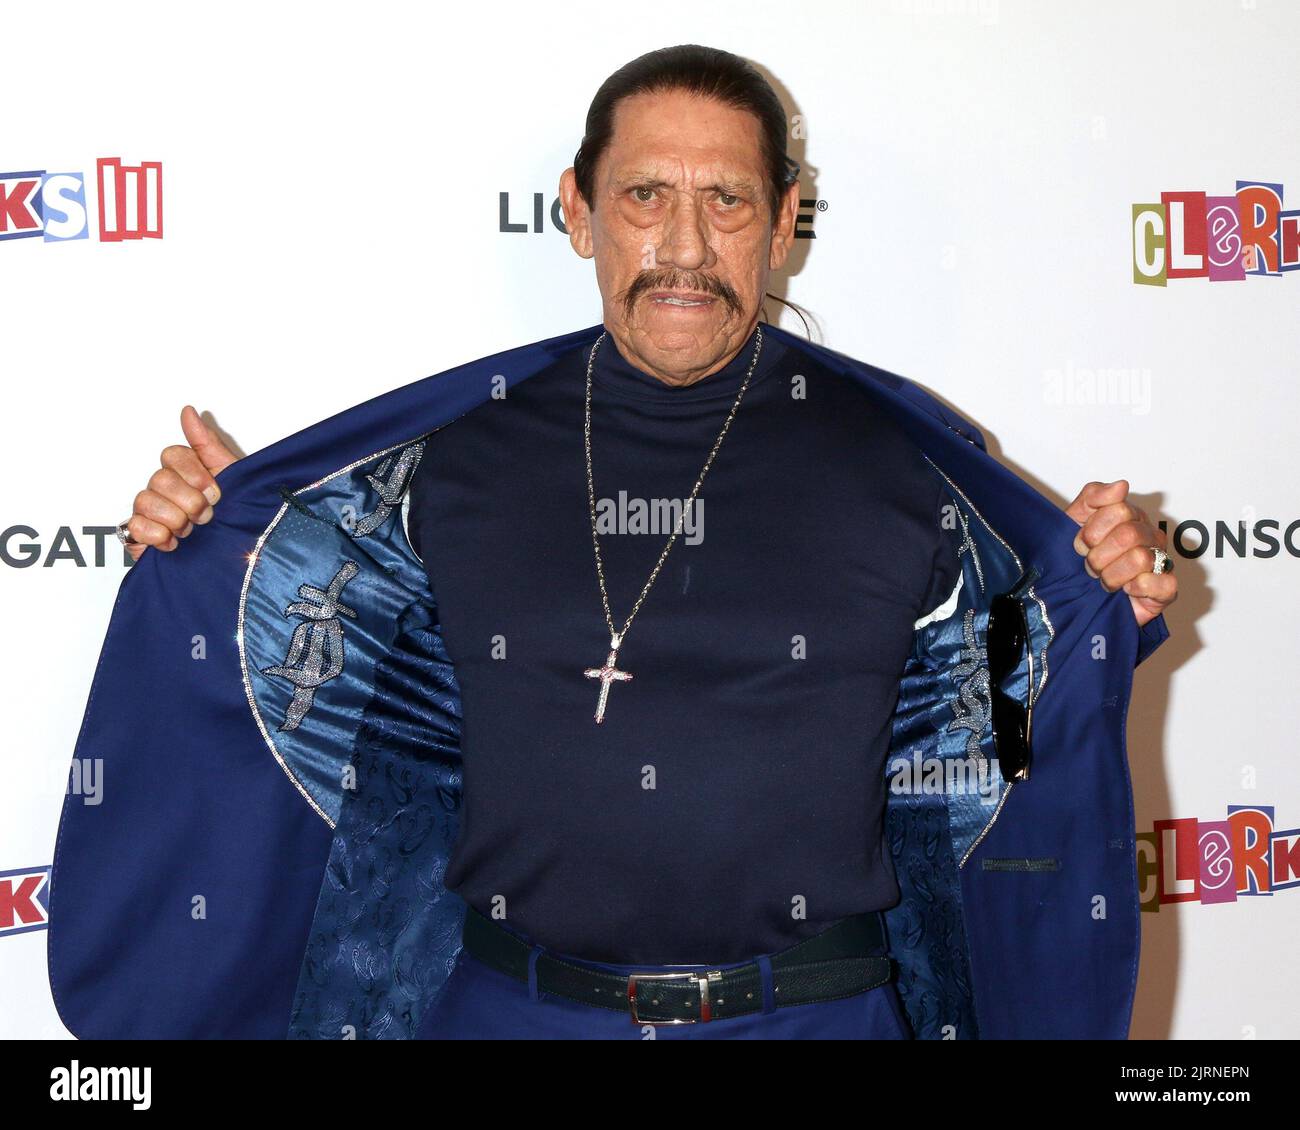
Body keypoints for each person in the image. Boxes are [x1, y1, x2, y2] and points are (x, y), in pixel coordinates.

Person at [50, 45, 1176, 1041]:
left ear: (785, 222)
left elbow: (1007, 692)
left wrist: (1100, 601)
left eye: (727, 201)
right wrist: (201, 539)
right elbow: (293, 652)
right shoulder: (442, 460)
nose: (683, 247)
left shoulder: (907, 461)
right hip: (511, 1012)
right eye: (644, 195)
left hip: (817, 1014)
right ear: (578, 210)